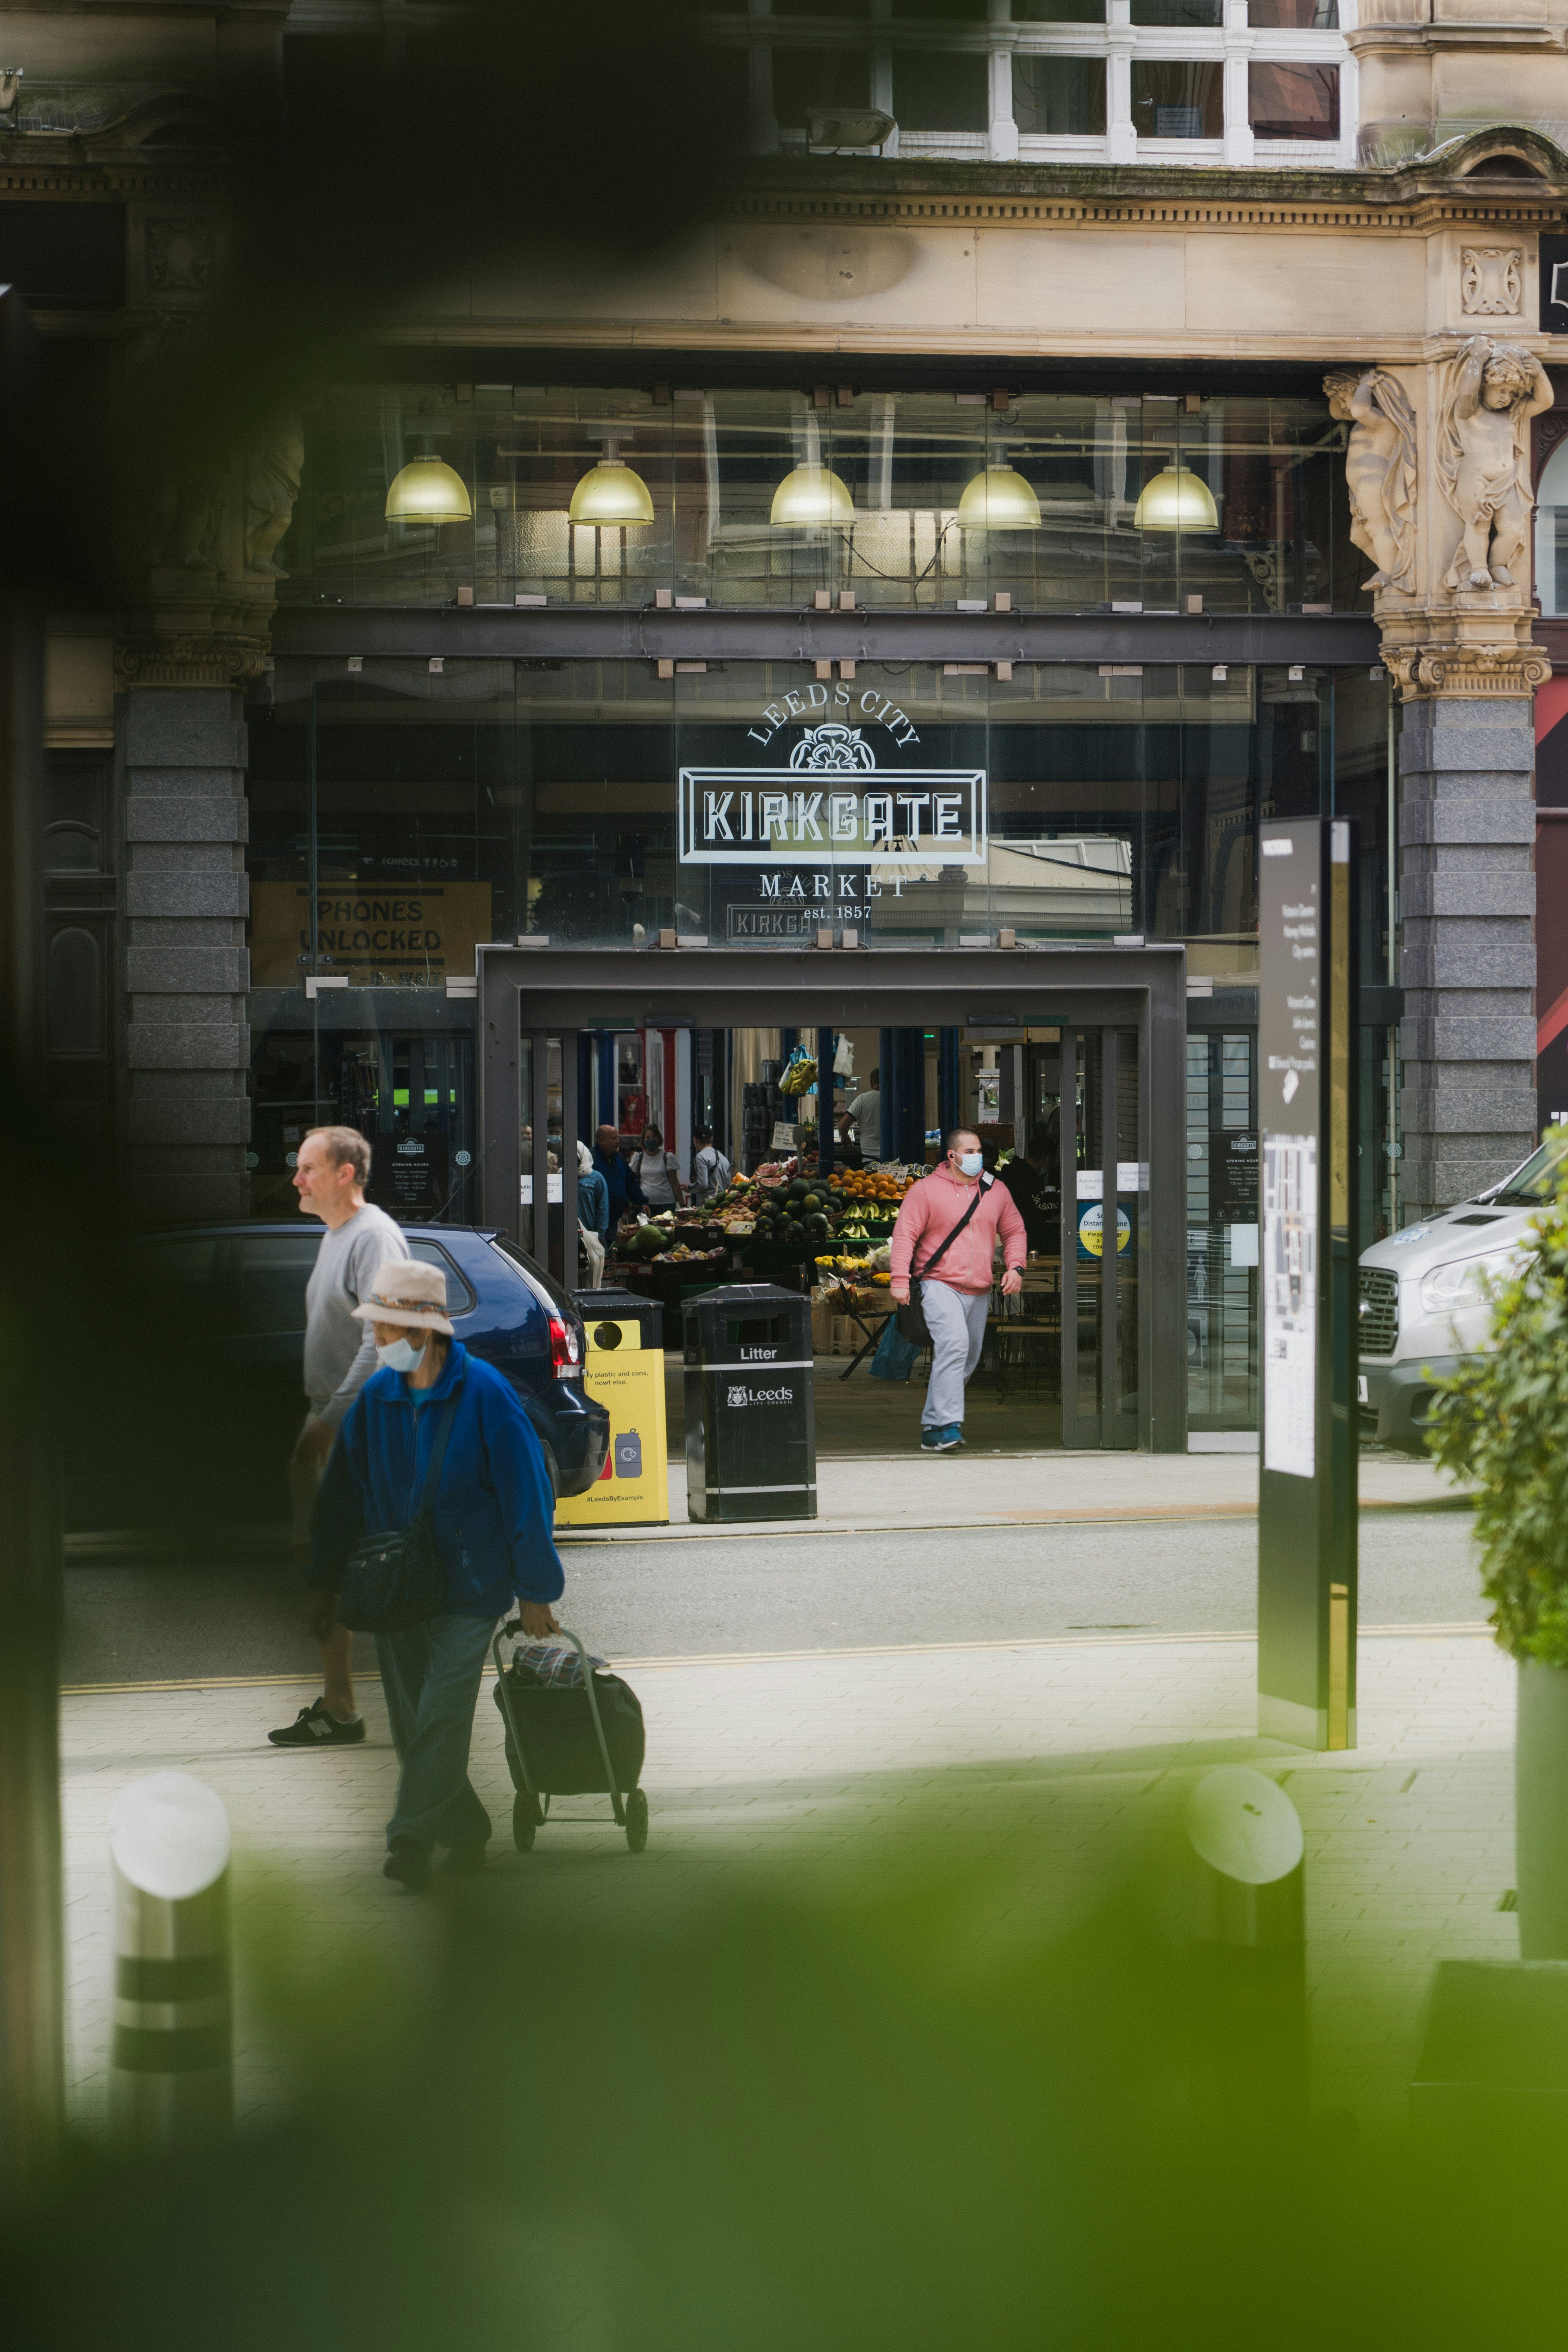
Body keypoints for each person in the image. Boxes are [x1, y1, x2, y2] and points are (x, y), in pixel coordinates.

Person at [310, 1259, 565, 1889]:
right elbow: (340, 1497)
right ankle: (464, 1829)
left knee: (442, 1715)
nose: (376, 1340)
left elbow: (526, 1495)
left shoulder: (485, 1393)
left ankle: (410, 1837)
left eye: (386, 1331)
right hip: (397, 1583)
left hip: (470, 1586)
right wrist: (324, 1580)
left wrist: (537, 1591)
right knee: (412, 1721)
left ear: (425, 1331)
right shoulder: (377, 1397)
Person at [269, 1126, 410, 1749]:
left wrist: (331, 1422)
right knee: (319, 1566)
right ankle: (340, 1704)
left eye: (307, 1168)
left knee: (361, 1564)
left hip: (356, 1427)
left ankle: (385, 1701)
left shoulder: (373, 1235)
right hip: (329, 1418)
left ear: (345, 1173)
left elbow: (383, 1340)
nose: (297, 1179)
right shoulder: (336, 1236)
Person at [889, 1126, 1026, 1453]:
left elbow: (1015, 1230)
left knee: (967, 1358)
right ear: (951, 1156)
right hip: (938, 1283)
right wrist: (898, 1280)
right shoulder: (925, 1192)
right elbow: (905, 1235)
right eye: (969, 1152)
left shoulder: (996, 1190)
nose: (977, 1157)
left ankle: (933, 1426)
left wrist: (1016, 1266)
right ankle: (949, 1426)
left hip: (979, 1289)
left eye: (978, 1150)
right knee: (955, 1345)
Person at [592, 1122, 644, 1236]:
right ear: (601, 1141)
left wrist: (641, 1202)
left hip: (615, 1219)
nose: (618, 1142)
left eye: (618, 1138)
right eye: (614, 1139)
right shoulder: (591, 1160)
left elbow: (630, 1182)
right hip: (596, 1222)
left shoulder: (619, 1158)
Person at [576, 1138, 609, 1286]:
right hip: (570, 1236)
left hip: (590, 1234)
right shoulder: (560, 1175)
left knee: (590, 1280)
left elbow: (602, 1209)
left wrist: (600, 1236)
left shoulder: (596, 1178)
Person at [632, 1122, 685, 1210]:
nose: (651, 1139)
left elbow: (675, 1183)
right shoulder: (638, 1158)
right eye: (648, 1137)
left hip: (666, 1204)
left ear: (659, 1139)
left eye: (654, 1137)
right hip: (645, 1205)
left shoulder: (668, 1158)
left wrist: (682, 1206)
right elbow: (632, 1181)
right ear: (644, 1141)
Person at [689, 1123, 732, 1204]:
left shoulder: (701, 1157)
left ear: (695, 1140)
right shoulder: (723, 1157)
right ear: (711, 1139)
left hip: (708, 1204)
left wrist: (689, 1187)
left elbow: (703, 1185)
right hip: (723, 1203)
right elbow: (728, 1183)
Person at [849, 1068, 882, 1163]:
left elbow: (843, 1125)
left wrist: (844, 1138)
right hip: (895, 1161)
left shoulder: (862, 1099)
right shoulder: (897, 1098)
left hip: (870, 1160)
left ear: (871, 1083)